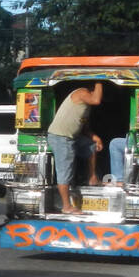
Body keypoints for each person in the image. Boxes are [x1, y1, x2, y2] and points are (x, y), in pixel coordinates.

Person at [46, 81, 104, 214]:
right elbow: (96, 100)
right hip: (61, 137)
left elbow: (84, 128)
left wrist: (95, 138)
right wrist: (100, 81)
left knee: (91, 146)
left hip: (72, 138)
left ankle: (92, 178)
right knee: (65, 171)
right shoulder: (81, 92)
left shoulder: (85, 107)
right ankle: (66, 206)